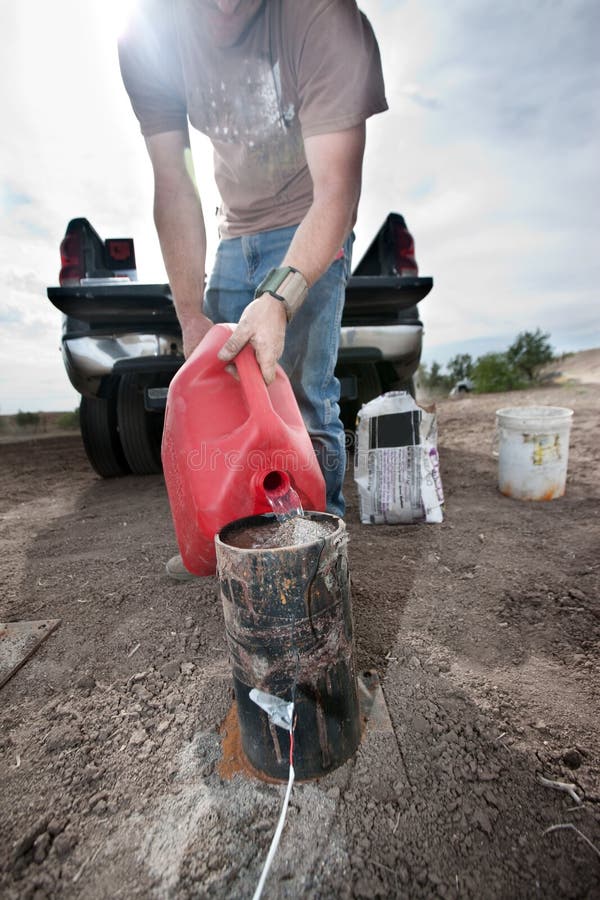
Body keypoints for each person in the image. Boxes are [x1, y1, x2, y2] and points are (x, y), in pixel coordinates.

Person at [118, 0, 388, 579]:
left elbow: (337, 189)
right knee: (223, 402)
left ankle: (318, 554)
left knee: (304, 401)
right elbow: (174, 181)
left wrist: (279, 298)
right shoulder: (151, 37)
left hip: (308, 219)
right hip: (232, 228)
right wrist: (190, 314)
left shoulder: (320, 16)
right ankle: (230, 543)